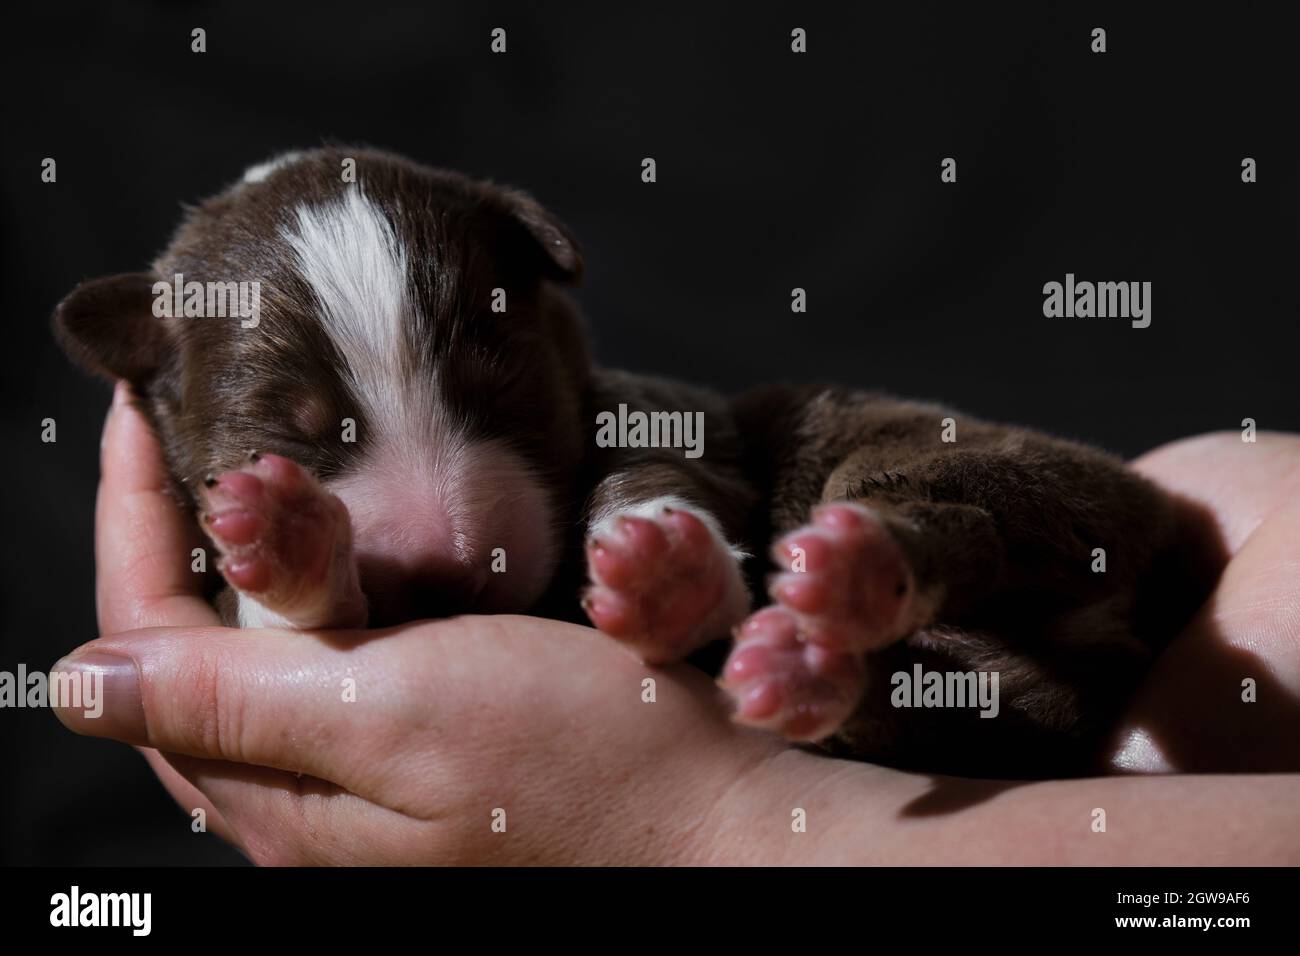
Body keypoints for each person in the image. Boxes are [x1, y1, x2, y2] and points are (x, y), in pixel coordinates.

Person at [52, 382, 1300, 865]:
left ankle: (889, 579)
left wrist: (728, 825)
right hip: (1001, 686)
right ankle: (860, 637)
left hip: (1079, 596)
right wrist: (299, 610)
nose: (426, 529)